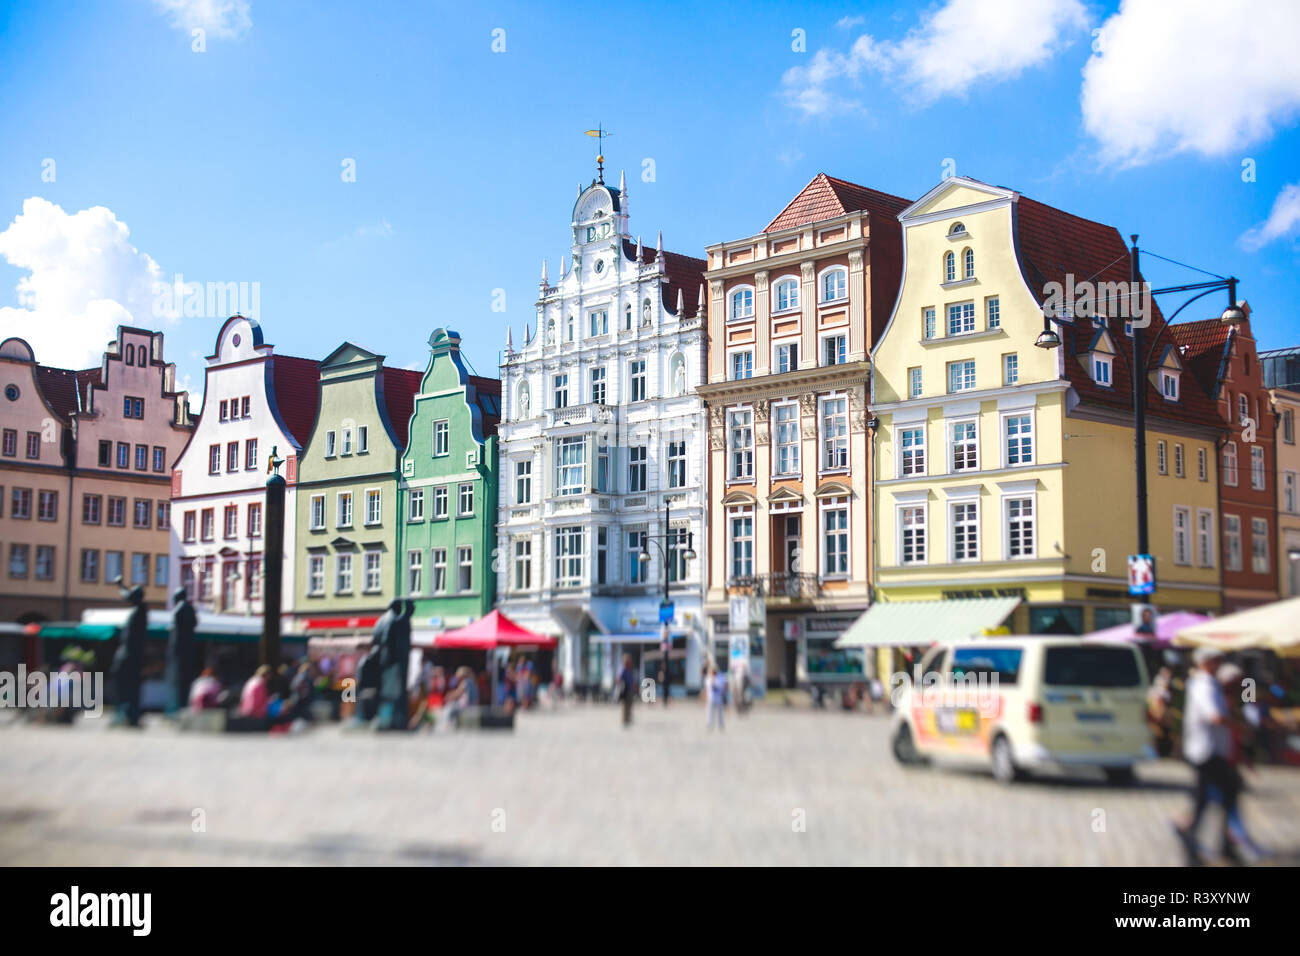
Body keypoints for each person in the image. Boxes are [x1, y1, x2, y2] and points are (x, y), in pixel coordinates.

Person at [1174, 647, 1241, 865]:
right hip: (1206, 750)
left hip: (1211, 750)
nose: (1219, 663)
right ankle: (1208, 839)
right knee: (1227, 789)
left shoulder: (1210, 684)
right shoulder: (1204, 685)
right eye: (1216, 660)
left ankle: (1205, 839)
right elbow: (1215, 717)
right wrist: (1238, 726)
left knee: (1209, 795)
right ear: (1206, 662)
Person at [617, 654, 636, 727]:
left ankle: (628, 719)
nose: (629, 662)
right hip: (625, 690)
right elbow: (618, 679)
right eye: (628, 661)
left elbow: (631, 680)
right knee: (625, 705)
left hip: (630, 689)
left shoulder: (629, 669)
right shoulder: (623, 669)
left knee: (630, 705)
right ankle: (625, 720)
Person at [707, 665, 726, 732]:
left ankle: (721, 725)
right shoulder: (709, 677)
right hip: (711, 698)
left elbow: (720, 687)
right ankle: (710, 724)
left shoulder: (720, 677)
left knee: (720, 713)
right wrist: (712, 680)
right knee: (711, 712)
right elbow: (708, 686)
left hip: (718, 698)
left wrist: (714, 681)